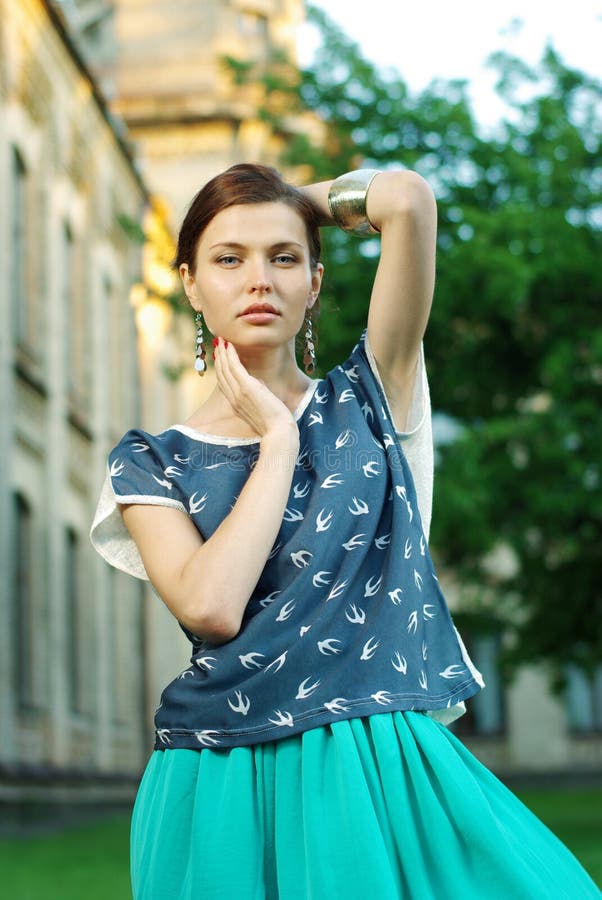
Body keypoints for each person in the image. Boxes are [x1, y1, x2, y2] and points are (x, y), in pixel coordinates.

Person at [91, 164, 600, 899]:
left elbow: (408, 200)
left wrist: (294, 200)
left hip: (382, 755)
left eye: (284, 257)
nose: (258, 279)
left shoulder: (371, 394)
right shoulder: (149, 460)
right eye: (228, 259)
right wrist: (278, 445)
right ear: (190, 284)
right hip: (223, 776)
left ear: (316, 282)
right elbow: (210, 606)